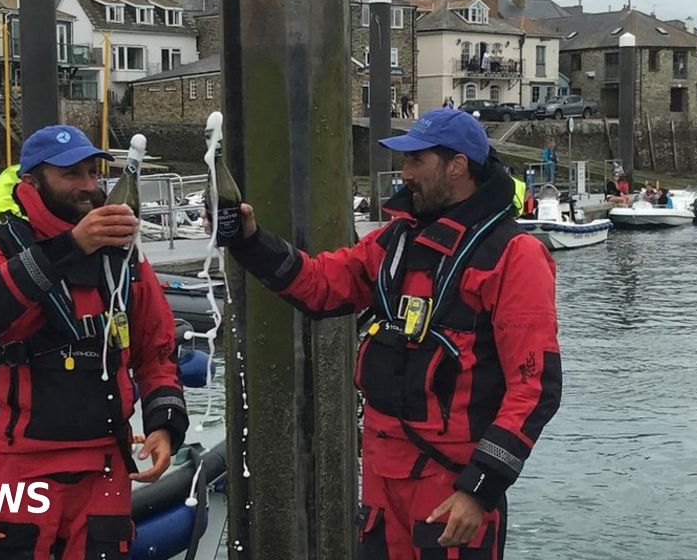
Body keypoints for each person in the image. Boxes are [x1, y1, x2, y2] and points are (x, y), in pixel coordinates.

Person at [215, 109, 561, 559]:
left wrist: (480, 488)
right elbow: (321, 286)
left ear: (457, 166)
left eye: (417, 161)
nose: (405, 173)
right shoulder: (396, 241)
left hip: (450, 490)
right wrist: (250, 240)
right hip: (382, 486)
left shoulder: (515, 255)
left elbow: (535, 387)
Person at [0, 125, 188, 560]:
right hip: (17, 464)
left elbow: (156, 350)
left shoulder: (123, 257)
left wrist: (164, 424)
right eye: (70, 175)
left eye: (91, 173)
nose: (87, 186)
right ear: (31, 183)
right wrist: (71, 246)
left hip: (104, 466)